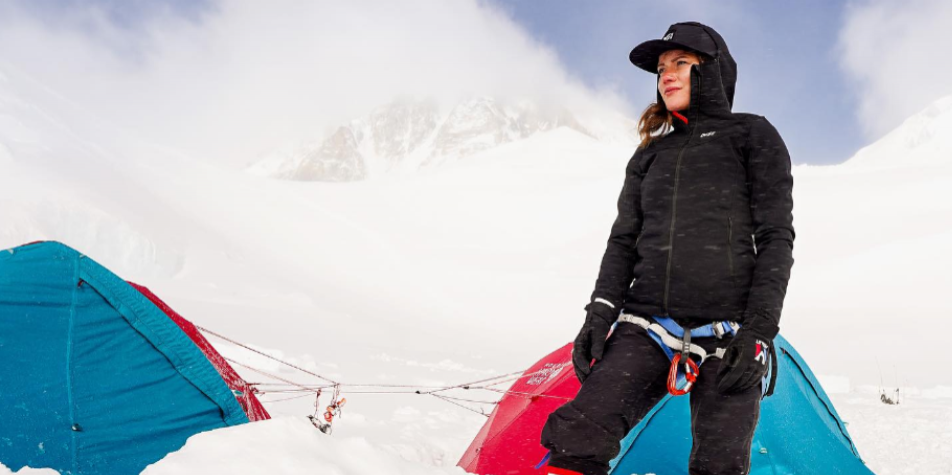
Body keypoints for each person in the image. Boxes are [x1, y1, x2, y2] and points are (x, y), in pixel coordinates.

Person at [540, 21, 794, 475]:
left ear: (712, 71)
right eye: (660, 69)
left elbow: (776, 236)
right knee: (579, 433)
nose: (667, 75)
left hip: (729, 335)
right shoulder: (648, 156)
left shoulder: (752, 135)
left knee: (719, 465)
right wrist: (598, 314)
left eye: (681, 63)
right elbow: (622, 242)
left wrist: (759, 334)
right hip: (647, 325)